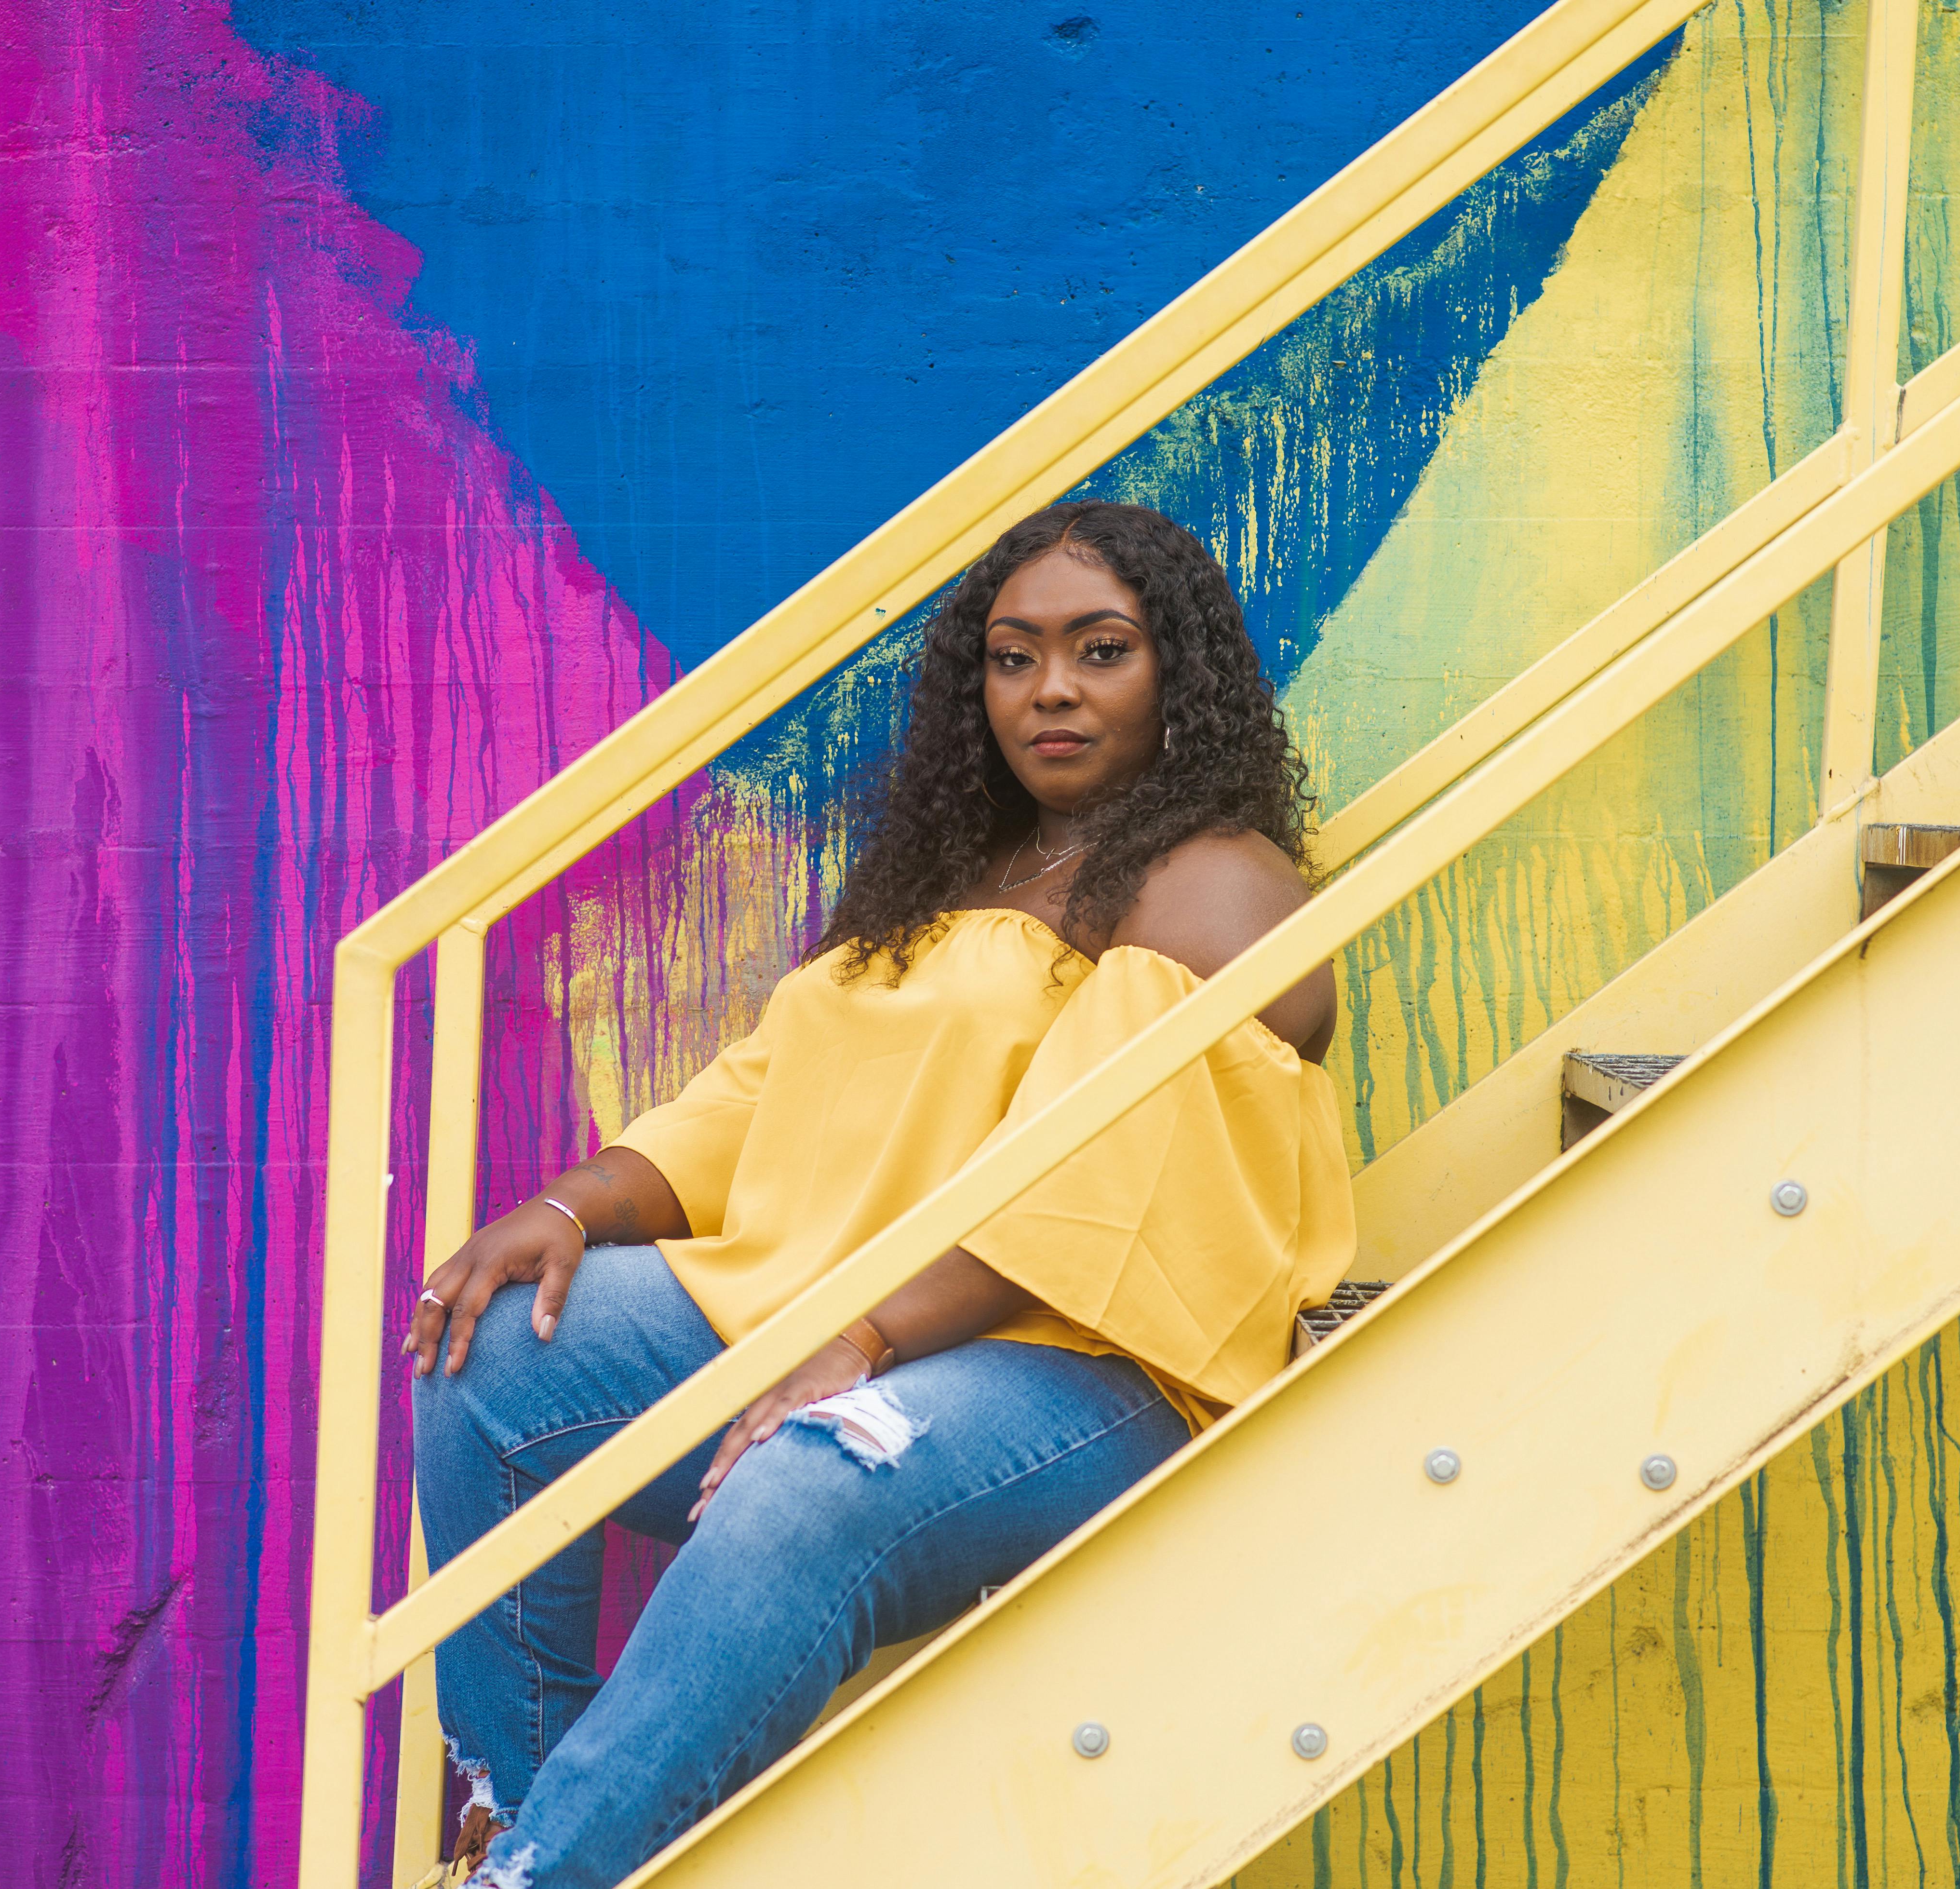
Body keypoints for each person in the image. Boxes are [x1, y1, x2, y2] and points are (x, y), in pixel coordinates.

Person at [403, 500, 1356, 1889]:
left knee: (814, 1474)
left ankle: (539, 1881)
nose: (1052, 691)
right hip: (841, 1319)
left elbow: (1103, 1178)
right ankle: (530, 1818)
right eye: (1013, 657)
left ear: (1179, 676)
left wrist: (863, 1342)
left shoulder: (1213, 884)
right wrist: (569, 1208)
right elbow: (761, 1096)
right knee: (488, 1348)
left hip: (1081, 1366)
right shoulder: (949, 881)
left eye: (1101, 651)